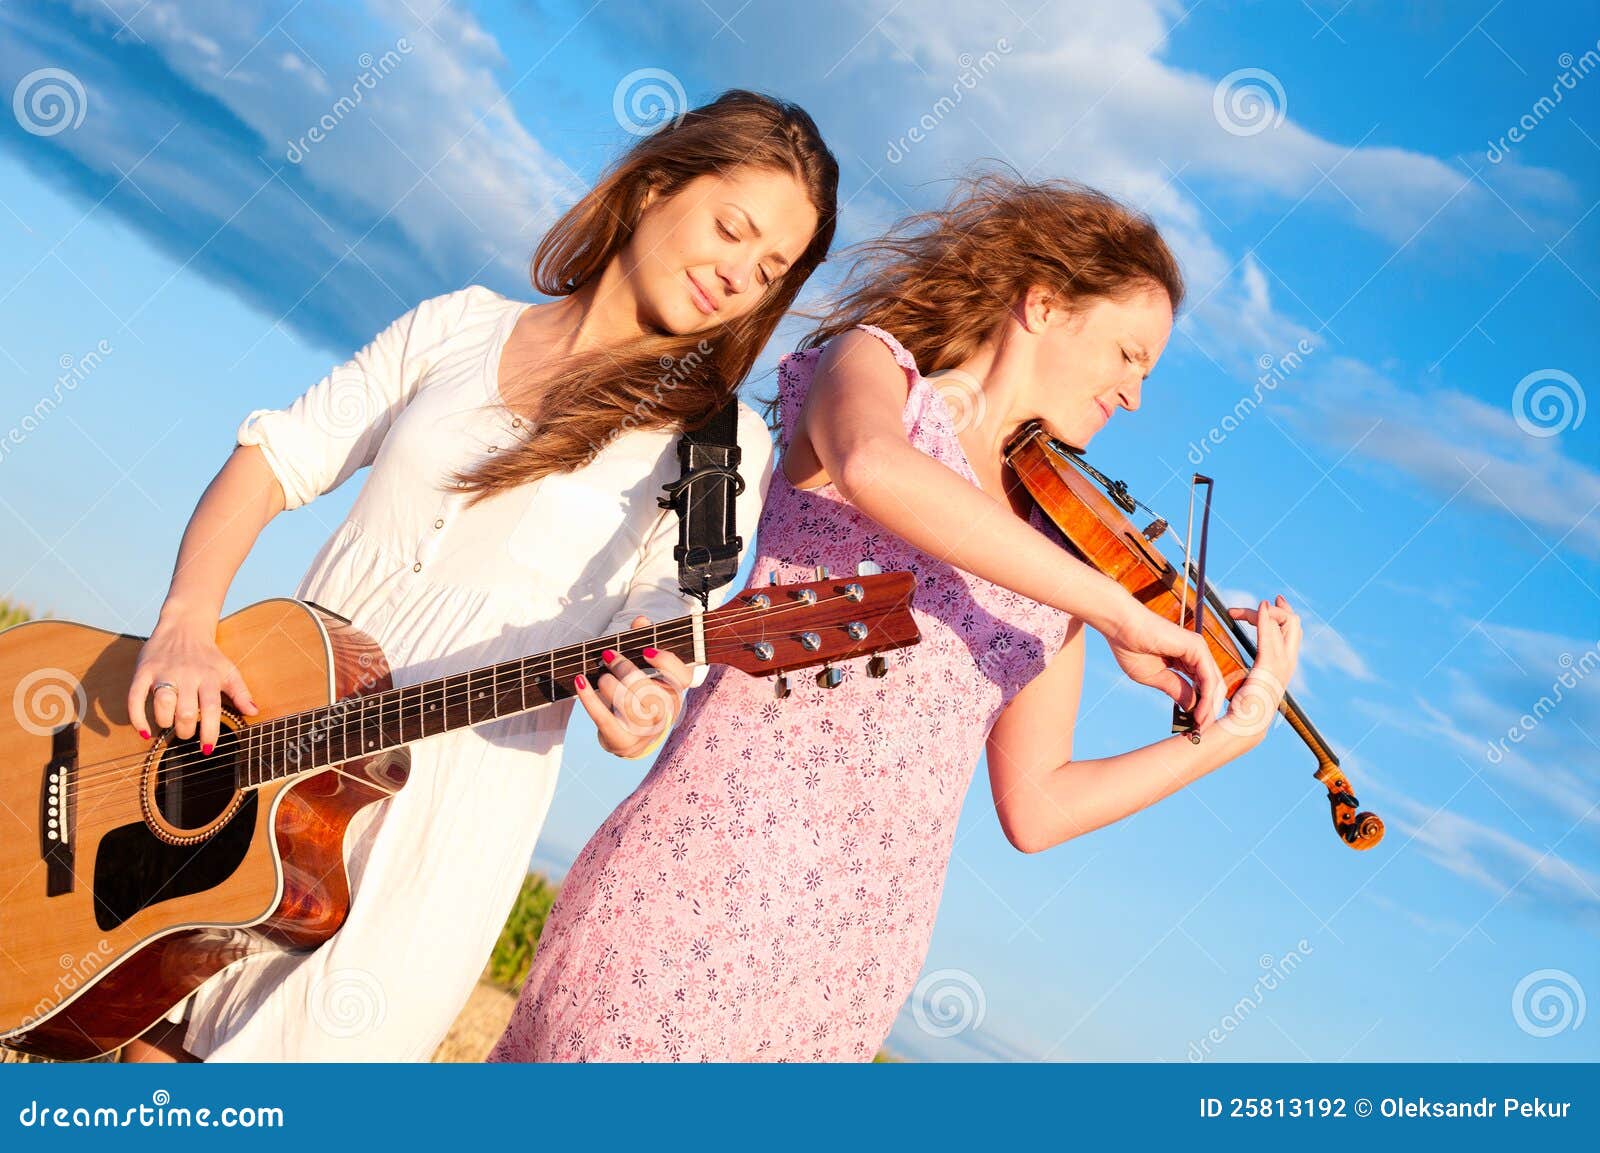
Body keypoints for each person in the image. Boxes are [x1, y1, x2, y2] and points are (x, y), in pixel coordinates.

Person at [488, 172, 1301, 1062]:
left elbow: (1037, 807)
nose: (1136, 393)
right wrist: (1118, 610)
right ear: (1044, 305)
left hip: (849, 969)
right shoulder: (881, 374)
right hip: (703, 884)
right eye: (1129, 354)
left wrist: (1227, 735)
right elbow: (873, 465)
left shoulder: (1062, 553)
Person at [119, 89, 840, 1061]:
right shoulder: (458, 324)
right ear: (657, 183)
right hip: (261, 754)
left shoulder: (720, 445)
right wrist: (185, 621)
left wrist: (645, 706)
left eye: (770, 269)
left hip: (439, 823)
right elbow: (272, 462)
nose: (737, 276)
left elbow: (671, 613)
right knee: (144, 1056)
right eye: (731, 228)